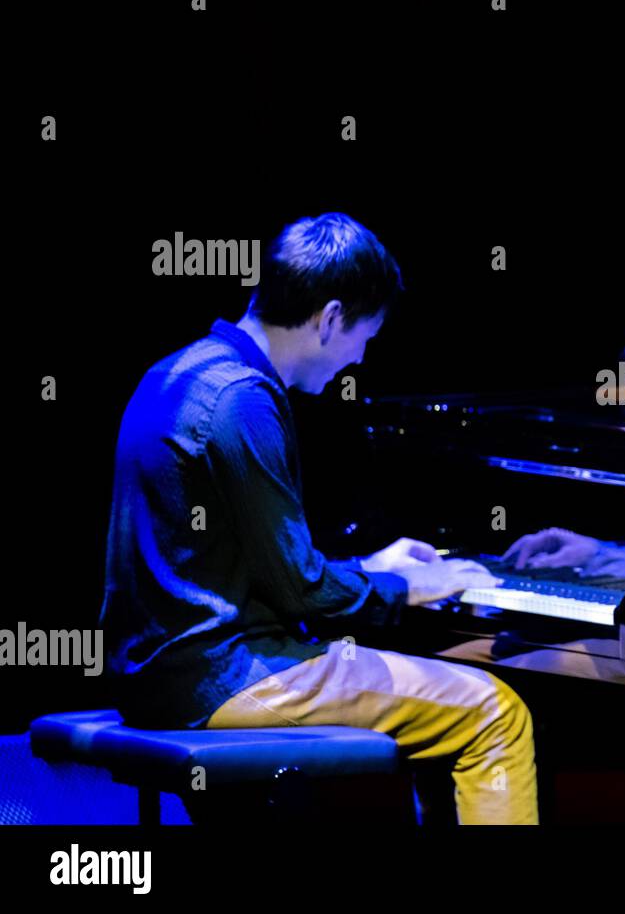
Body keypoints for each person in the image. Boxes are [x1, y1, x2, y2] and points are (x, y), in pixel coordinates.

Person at [99, 212, 538, 824]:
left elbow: (259, 563)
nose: (357, 362)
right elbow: (302, 591)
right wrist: (408, 586)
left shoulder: (179, 371)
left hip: (151, 673)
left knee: (443, 701)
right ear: (330, 318)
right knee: (495, 711)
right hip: (220, 676)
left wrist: (369, 566)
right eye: (366, 338)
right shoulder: (243, 400)